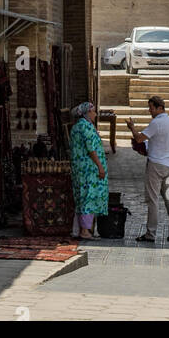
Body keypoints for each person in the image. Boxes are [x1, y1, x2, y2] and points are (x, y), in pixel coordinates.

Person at [127, 95, 169, 244]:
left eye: (151, 108)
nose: (150, 111)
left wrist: (132, 128)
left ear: (159, 108)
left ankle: (151, 233)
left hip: (155, 165)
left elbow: (139, 139)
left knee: (153, 200)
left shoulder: (156, 123)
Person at [69, 101, 108, 240]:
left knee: (82, 196)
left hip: (82, 168)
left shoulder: (78, 127)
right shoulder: (85, 127)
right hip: (88, 169)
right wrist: (100, 166)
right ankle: (85, 230)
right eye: (93, 111)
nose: (95, 114)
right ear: (86, 113)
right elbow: (91, 150)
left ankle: (84, 228)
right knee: (88, 197)